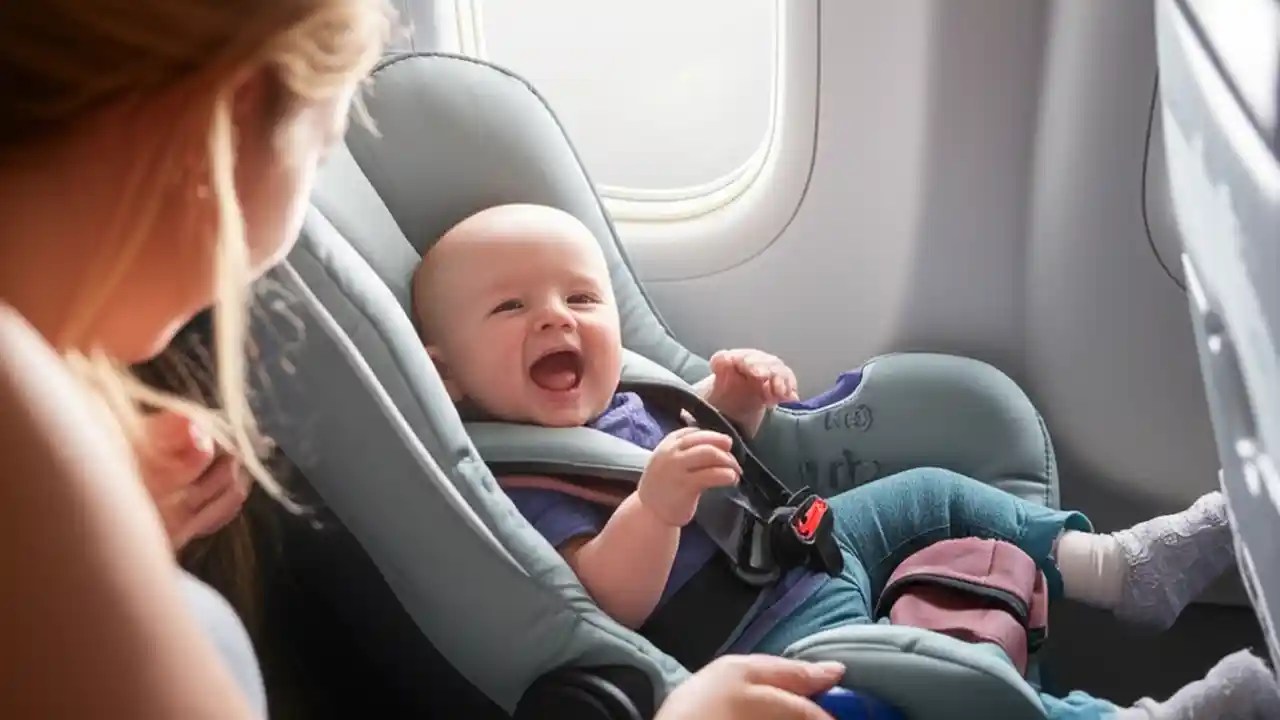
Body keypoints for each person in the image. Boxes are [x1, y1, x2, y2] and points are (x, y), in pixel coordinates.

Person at [0, 4, 854, 719]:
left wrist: (119, 544)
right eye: (322, 143)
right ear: (234, 121)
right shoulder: (27, 435)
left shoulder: (44, 429)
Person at [412, 202, 1280, 719]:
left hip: (807, 549)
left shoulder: (622, 400)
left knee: (935, 493)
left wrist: (736, 400)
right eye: (511, 307)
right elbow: (605, 595)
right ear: (446, 373)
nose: (558, 320)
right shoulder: (526, 478)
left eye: (581, 298)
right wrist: (653, 510)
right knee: (952, 681)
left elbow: (727, 465)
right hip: (759, 632)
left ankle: (1126, 568)